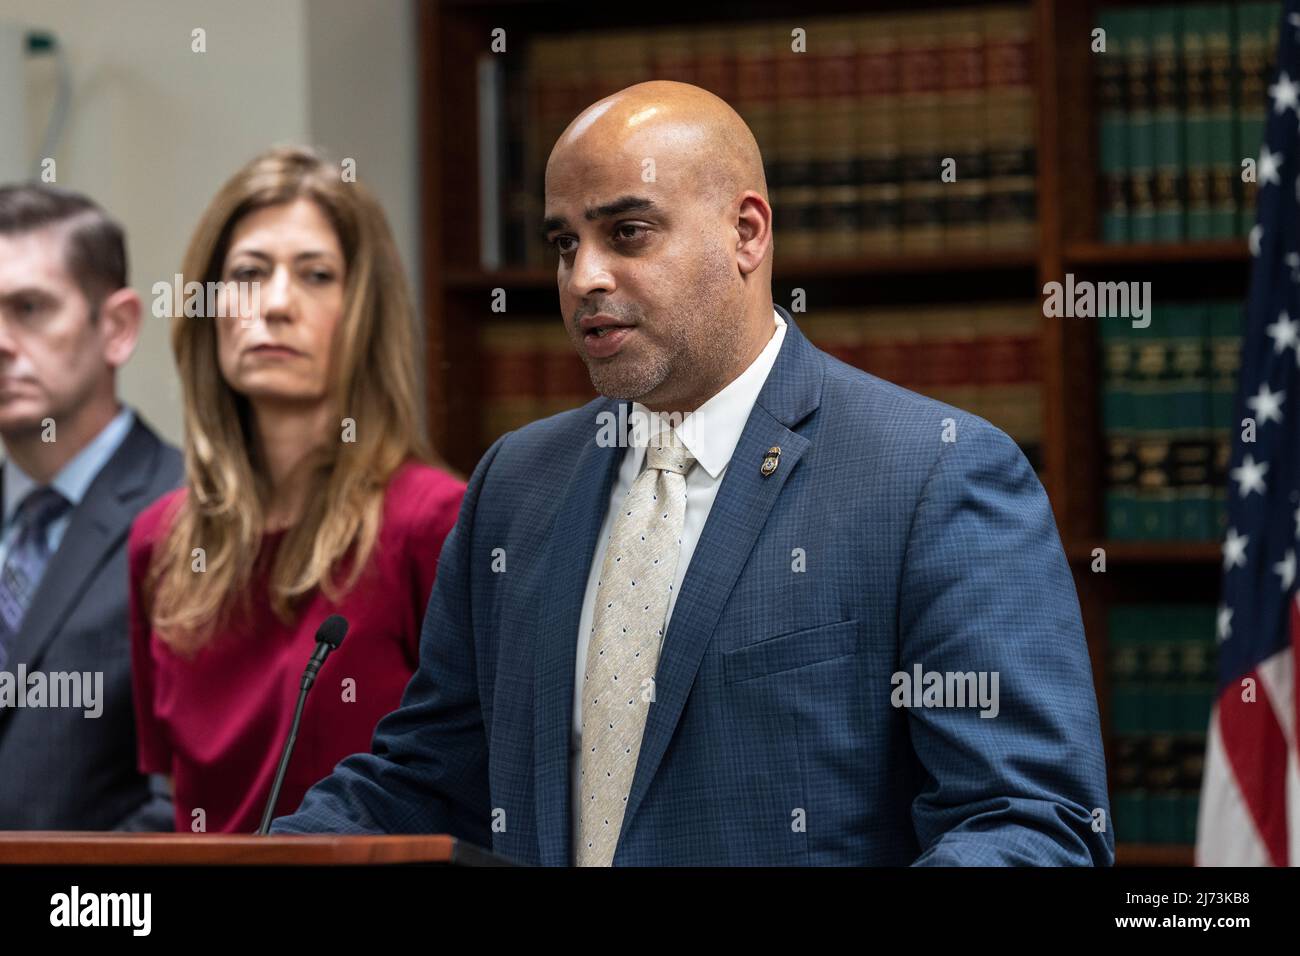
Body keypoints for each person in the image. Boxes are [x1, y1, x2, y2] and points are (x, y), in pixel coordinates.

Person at [273, 82, 1114, 866]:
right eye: (565, 243)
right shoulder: (515, 485)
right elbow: (426, 778)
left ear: (747, 233)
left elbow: (1027, 822)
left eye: (627, 233)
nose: (584, 277)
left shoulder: (931, 474)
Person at [129, 146, 465, 833]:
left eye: (315, 275)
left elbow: (473, 781)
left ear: (364, 313)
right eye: (249, 274)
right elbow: (170, 803)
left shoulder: (434, 522)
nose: (276, 304)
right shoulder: (158, 542)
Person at [0, 184, 182, 830]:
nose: (2, 341)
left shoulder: (192, 514)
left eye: (29, 308)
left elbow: (184, 799)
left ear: (118, 327)